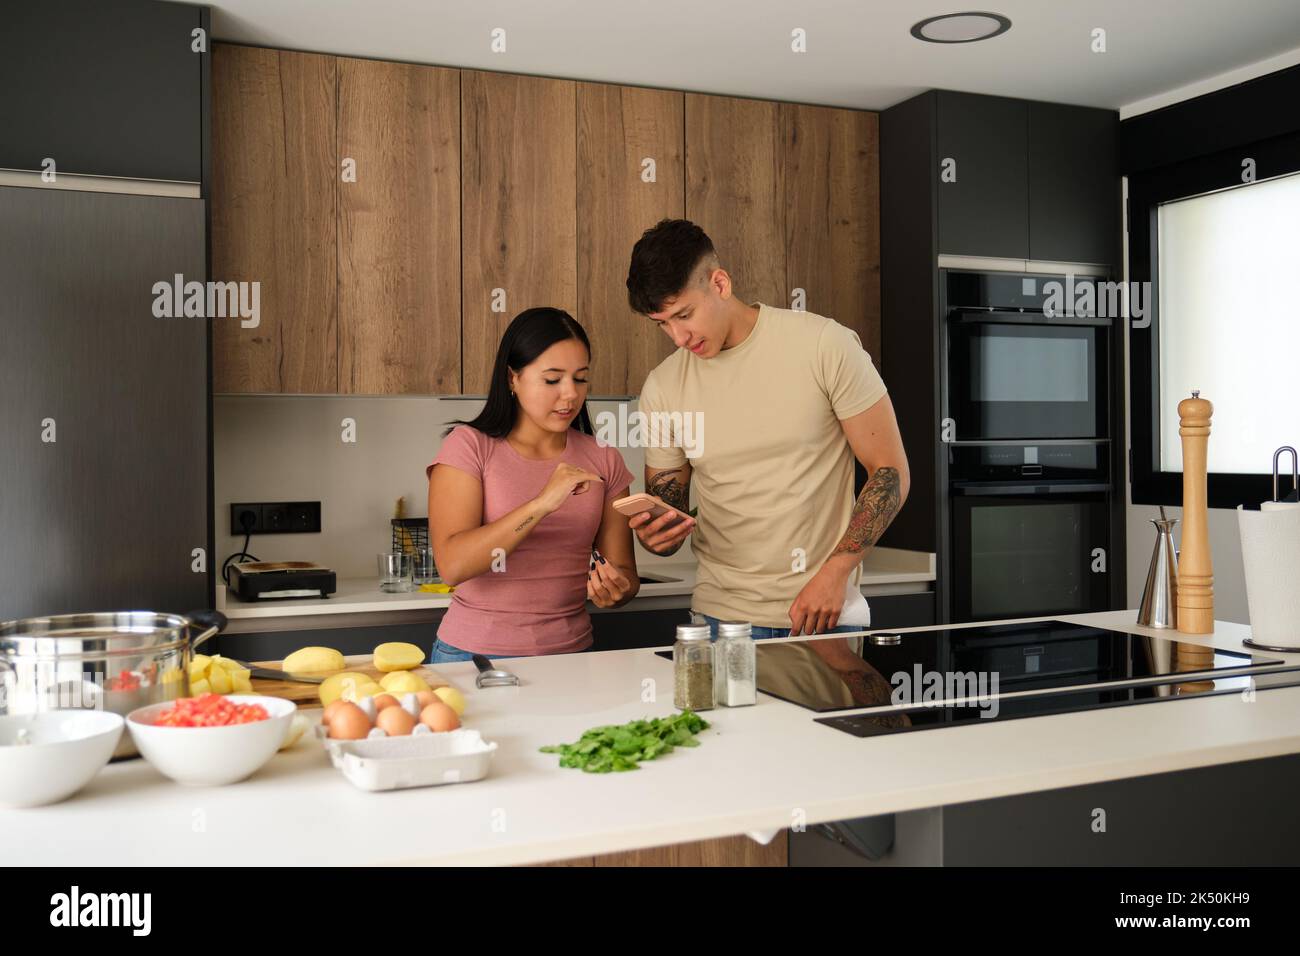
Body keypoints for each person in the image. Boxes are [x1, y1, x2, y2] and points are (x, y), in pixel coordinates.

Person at [625, 219, 909, 660]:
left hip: (822, 616)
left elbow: (889, 472)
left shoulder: (823, 344)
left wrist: (835, 574)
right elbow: (670, 514)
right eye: (662, 324)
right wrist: (657, 536)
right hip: (721, 623)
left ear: (719, 283)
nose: (679, 337)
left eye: (684, 315)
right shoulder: (663, 387)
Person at [425, 308, 638, 663]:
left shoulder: (603, 458)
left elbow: (626, 573)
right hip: (474, 656)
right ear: (513, 378)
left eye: (580, 378)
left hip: (572, 657)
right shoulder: (469, 446)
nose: (570, 395)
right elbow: (453, 565)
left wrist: (617, 589)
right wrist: (541, 504)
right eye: (552, 380)